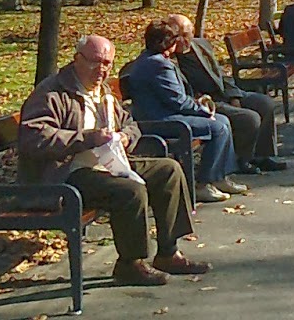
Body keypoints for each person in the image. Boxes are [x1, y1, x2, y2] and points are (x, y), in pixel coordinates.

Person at [19, 35, 210, 287]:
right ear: (77, 59)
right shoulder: (53, 92)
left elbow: (130, 123)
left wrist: (127, 137)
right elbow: (34, 137)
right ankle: (130, 264)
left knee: (168, 170)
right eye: (95, 62)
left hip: (107, 163)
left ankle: (168, 253)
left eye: (107, 63)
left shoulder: (104, 92)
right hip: (66, 173)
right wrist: (87, 138)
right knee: (130, 190)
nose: (102, 69)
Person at [121, 17, 250, 204]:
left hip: (162, 114)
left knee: (222, 121)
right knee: (218, 126)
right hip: (160, 121)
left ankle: (219, 177)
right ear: (168, 43)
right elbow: (178, 101)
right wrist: (203, 109)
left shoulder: (149, 59)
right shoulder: (159, 65)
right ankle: (204, 183)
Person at [173, 19, 288, 174]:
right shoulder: (170, 58)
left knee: (264, 103)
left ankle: (261, 156)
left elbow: (221, 75)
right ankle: (242, 160)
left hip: (222, 92)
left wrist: (234, 96)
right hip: (204, 103)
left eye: (187, 34)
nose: (185, 40)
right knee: (249, 118)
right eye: (180, 36)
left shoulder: (200, 45)